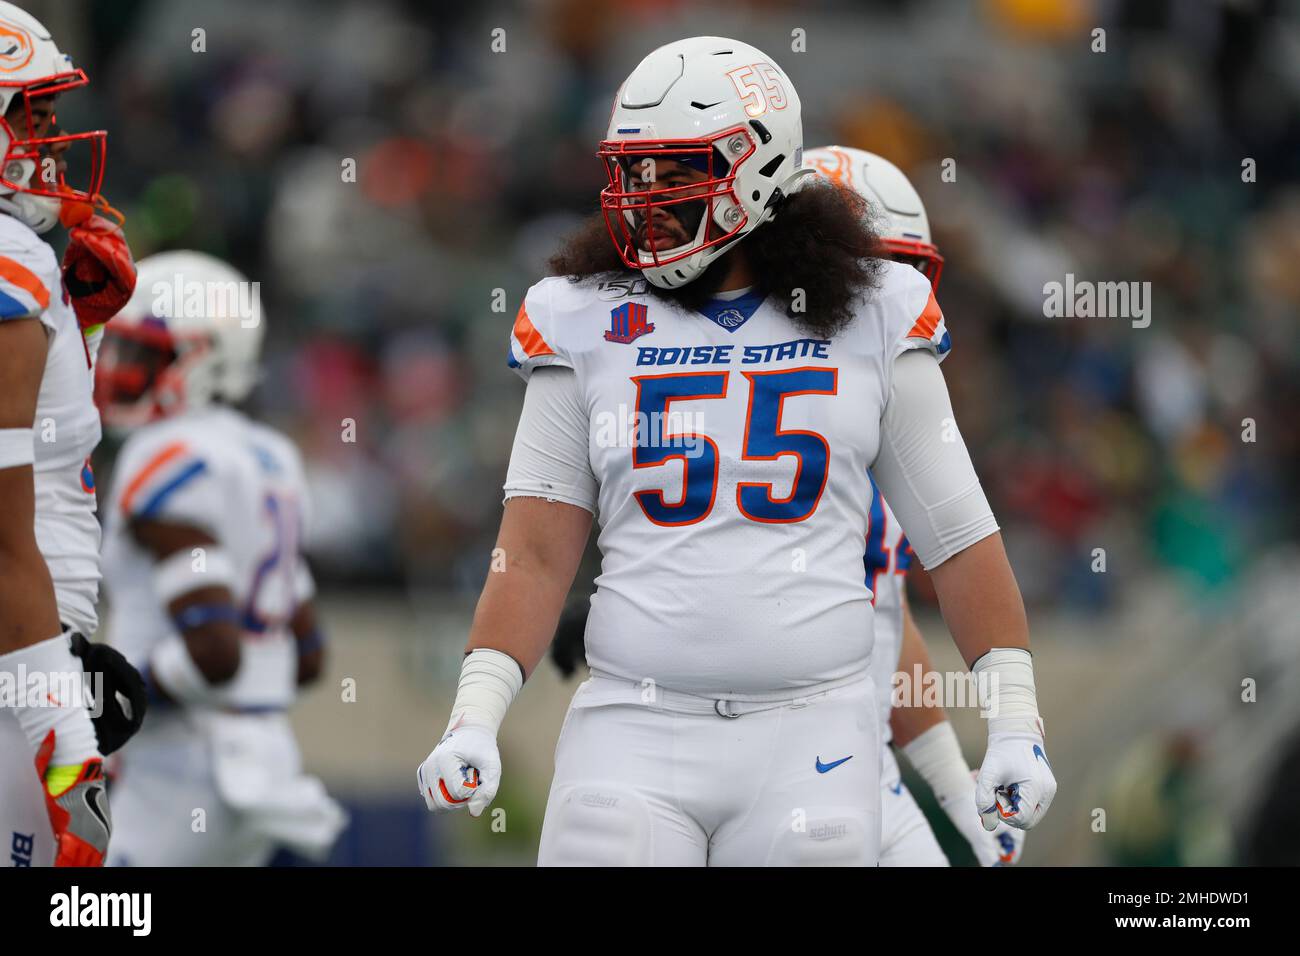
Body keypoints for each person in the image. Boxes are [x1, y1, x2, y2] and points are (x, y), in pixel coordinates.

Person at [419, 36, 1056, 865]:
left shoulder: (874, 311)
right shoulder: (580, 313)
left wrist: (1014, 719)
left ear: (757, 167)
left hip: (812, 732)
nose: (645, 198)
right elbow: (534, 555)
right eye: (633, 172)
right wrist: (474, 714)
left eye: (675, 171)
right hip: (632, 724)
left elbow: (959, 537)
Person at [805, 145, 1024, 866]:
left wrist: (956, 795)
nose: (883, 302)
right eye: (862, 277)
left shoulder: (880, 417)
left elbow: (884, 624)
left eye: (899, 277)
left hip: (858, 770)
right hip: (775, 770)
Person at [95, 250, 346, 866]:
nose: (122, 368)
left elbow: (213, 650)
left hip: (175, 769)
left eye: (143, 353)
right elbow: (307, 655)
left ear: (200, 358)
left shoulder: (168, 455)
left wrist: (109, 694)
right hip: (263, 761)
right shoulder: (271, 457)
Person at [0, 0, 140, 868]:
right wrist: (61, 731)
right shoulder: (10, 263)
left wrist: (74, 334)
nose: (51, 141)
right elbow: (3, 531)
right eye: (31, 115)